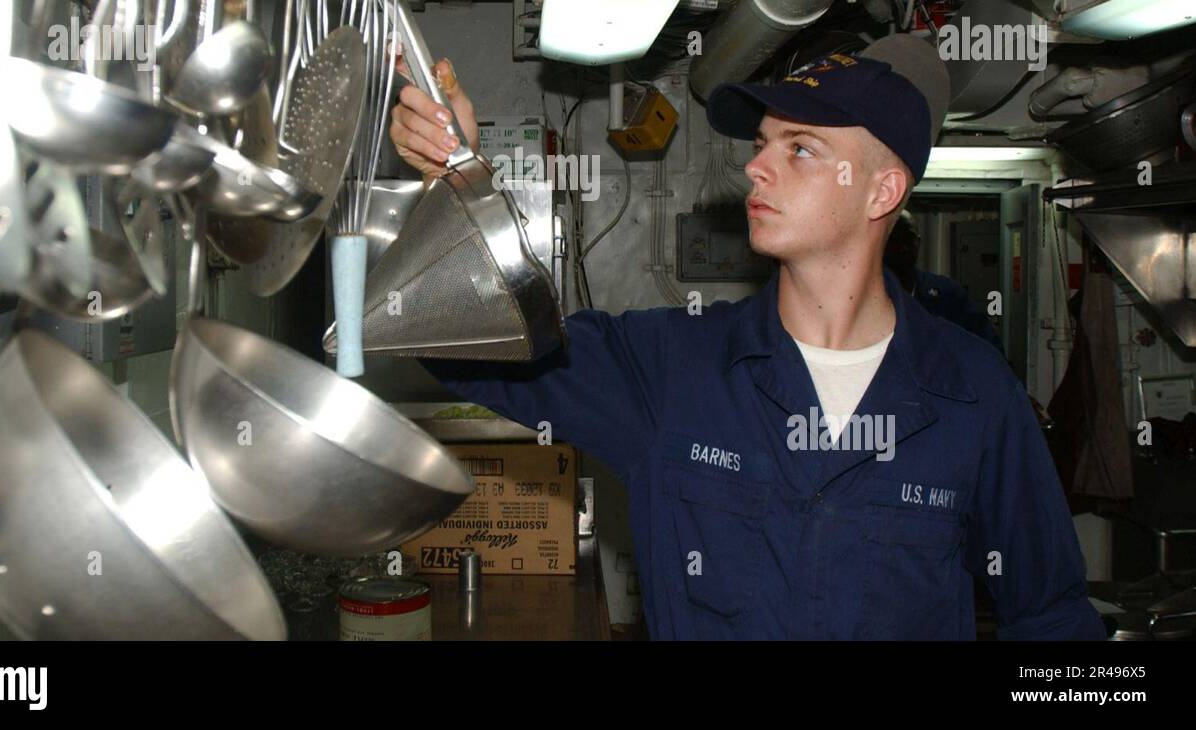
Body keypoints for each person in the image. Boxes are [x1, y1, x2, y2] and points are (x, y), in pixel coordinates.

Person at [388, 35, 1103, 641]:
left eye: (801, 149)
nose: (756, 165)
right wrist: (455, 184)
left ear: (881, 192)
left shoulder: (974, 394)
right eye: (763, 144)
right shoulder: (669, 369)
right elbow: (459, 348)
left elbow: (1053, 617)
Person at [884, 210, 1007, 356]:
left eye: (909, 239)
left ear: (919, 241)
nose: (904, 248)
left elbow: (988, 349)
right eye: (896, 239)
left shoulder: (946, 294)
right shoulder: (863, 296)